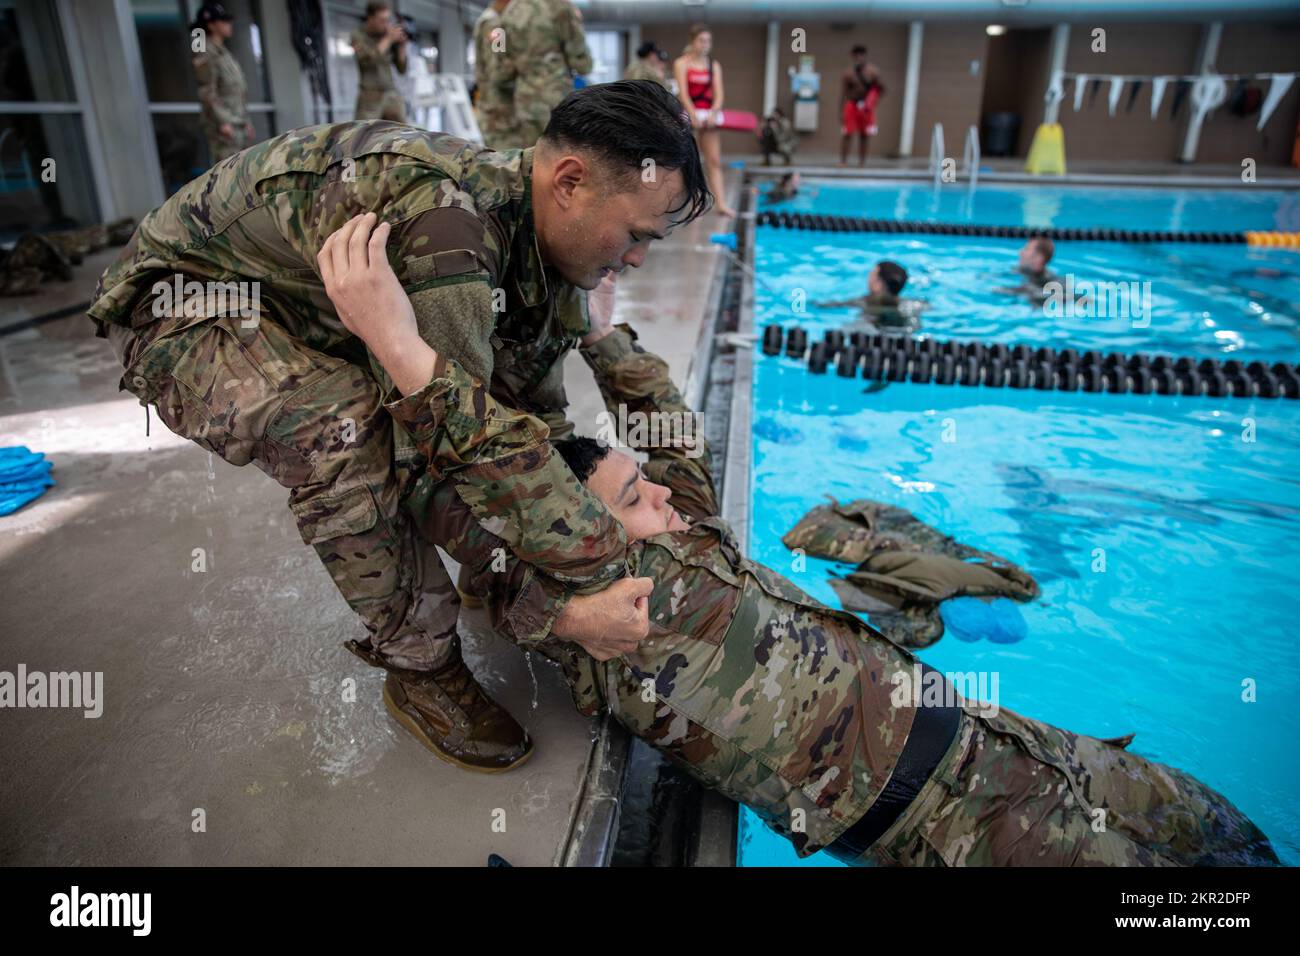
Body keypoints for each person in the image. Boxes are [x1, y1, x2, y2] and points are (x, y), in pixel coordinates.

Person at [354, 268, 1277, 866]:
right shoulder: (610, 602)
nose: (664, 499)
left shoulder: (693, 540)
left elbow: (667, 420)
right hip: (960, 830)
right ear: (567, 536)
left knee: (1232, 833)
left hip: (1006, 740)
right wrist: (400, 348)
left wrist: (601, 334)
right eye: (636, 498)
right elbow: (491, 483)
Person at [86, 82, 711, 776]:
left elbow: (530, 427)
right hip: (185, 303)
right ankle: (422, 670)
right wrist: (553, 611)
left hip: (308, 300)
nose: (635, 262)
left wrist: (526, 551)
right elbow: (429, 467)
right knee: (345, 427)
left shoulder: (545, 247)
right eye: (637, 237)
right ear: (569, 182)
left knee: (477, 420)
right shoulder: (449, 237)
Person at [498, 0, 592, 149]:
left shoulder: (510, 11)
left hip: (524, 99)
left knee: (531, 155)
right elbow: (579, 57)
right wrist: (584, 65)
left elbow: (502, 59)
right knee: (561, 151)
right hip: (555, 97)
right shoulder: (559, 6)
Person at [674, 24, 736, 219]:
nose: (705, 45)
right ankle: (694, 203)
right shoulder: (681, 63)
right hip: (689, 115)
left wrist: (713, 112)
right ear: (692, 42)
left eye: (708, 41)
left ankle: (722, 204)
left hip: (708, 117)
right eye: (701, 41)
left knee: (714, 161)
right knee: (690, 161)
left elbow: (719, 94)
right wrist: (692, 114)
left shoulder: (714, 66)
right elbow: (683, 93)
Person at [191, 2, 253, 166]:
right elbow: (207, 91)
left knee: (245, 170)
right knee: (229, 173)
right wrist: (223, 122)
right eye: (223, 21)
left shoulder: (224, 53)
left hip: (237, 121)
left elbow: (236, 90)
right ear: (211, 25)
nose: (229, 24)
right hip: (225, 126)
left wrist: (246, 120)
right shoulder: (205, 51)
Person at [817, 260, 925, 332]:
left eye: (872, 274)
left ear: (879, 283)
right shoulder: (916, 303)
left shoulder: (865, 301)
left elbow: (832, 305)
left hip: (873, 328)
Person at [351, 2, 408, 122]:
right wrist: (388, 39)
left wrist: (402, 47)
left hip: (390, 92)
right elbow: (367, 61)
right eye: (382, 20)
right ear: (370, 18)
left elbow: (401, 69)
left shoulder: (387, 36)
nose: (386, 24)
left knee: (404, 133)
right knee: (363, 135)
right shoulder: (359, 36)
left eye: (387, 20)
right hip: (370, 96)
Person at [472, 0, 516, 148]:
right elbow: (498, 67)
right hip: (499, 104)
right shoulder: (496, 24)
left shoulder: (486, 20)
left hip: (491, 101)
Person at [841, 45, 884, 167]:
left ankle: (862, 162)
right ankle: (844, 161)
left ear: (865, 56)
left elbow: (881, 89)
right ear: (853, 57)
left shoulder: (873, 72)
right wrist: (841, 112)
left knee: (864, 135)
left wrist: (873, 101)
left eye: (861, 54)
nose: (859, 57)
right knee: (847, 134)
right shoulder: (848, 73)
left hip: (866, 107)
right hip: (852, 104)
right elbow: (843, 93)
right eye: (856, 55)